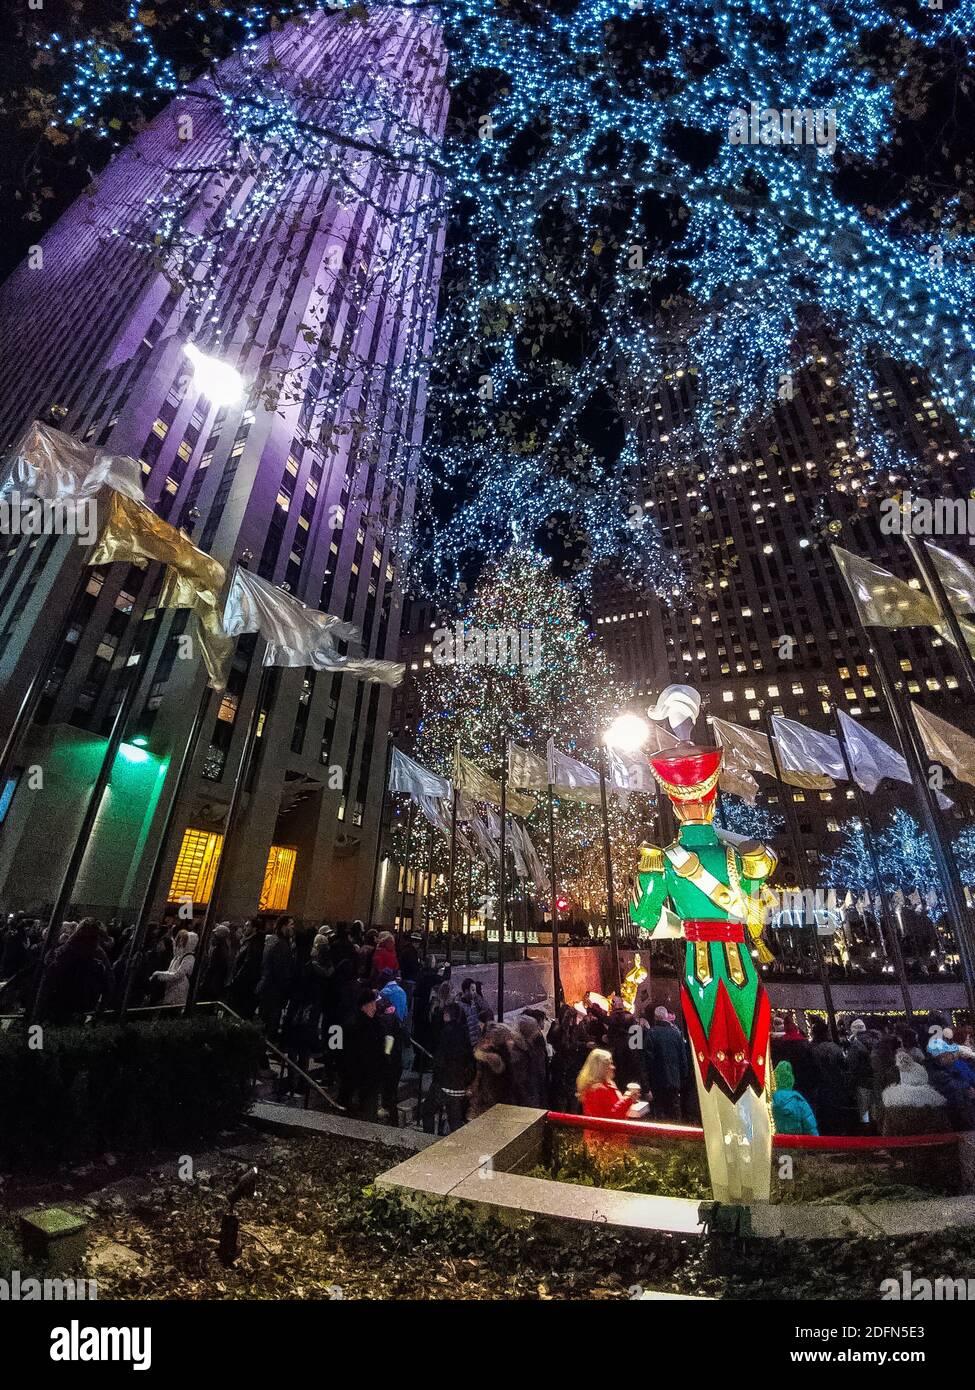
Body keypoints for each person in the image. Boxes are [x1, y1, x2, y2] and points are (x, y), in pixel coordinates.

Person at [36, 917, 114, 1022]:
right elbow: (109, 982)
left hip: (57, 1003)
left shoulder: (64, 950)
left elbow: (47, 976)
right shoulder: (98, 955)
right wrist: (99, 1010)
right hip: (78, 1006)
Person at [423, 1001, 475, 1133]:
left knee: (428, 1111)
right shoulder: (464, 1033)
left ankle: (427, 1140)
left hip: (445, 1083)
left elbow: (440, 1058)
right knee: (455, 1120)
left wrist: (437, 1076)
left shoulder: (446, 1032)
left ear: (447, 1015)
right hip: (460, 1084)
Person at [337, 986, 386, 1120]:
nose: (374, 1008)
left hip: (371, 1073)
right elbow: (344, 1050)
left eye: (374, 1004)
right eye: (371, 1004)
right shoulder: (353, 1024)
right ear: (363, 1006)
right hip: (357, 1072)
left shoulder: (375, 1023)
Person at [881, 1050, 948, 1136]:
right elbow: (944, 1131)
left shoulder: (890, 1102)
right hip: (930, 1147)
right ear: (924, 1077)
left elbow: (887, 1133)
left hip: (899, 1147)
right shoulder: (936, 1102)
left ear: (903, 1077)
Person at [809, 1019, 854, 1134]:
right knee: (835, 1113)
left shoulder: (811, 1049)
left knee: (822, 1114)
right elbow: (844, 1065)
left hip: (818, 1088)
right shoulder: (834, 1048)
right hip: (835, 1086)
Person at [645, 1003, 688, 1121]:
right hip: (674, 1078)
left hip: (657, 1080)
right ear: (665, 1016)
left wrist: (647, 1081)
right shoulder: (676, 1033)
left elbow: (648, 1059)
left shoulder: (651, 1034)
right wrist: (683, 1076)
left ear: (655, 1017)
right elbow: (682, 1057)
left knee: (660, 1111)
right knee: (674, 1108)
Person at [257, 915, 295, 1041]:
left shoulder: (273, 941)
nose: (293, 927)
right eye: (291, 924)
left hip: (269, 987)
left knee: (265, 1020)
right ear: (284, 926)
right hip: (274, 990)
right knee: (270, 1022)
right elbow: (280, 970)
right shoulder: (281, 945)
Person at [575, 1047, 641, 1119]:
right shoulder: (597, 1089)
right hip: (603, 1129)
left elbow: (615, 1106)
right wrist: (628, 1099)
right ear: (601, 1067)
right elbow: (611, 1117)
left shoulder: (607, 1083)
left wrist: (628, 1098)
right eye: (610, 1064)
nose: (613, 1067)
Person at [547, 1004, 591, 1112]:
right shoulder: (558, 1027)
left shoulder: (576, 1026)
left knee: (571, 1094)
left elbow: (583, 1038)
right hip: (564, 1064)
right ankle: (565, 1119)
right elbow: (564, 1045)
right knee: (564, 1094)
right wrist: (583, 1045)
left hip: (571, 1064)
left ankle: (570, 1119)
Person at [468, 1023, 514, 1118]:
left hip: (491, 1101)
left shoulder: (493, 1057)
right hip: (499, 1098)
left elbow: (477, 1054)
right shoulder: (505, 1053)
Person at [226, 919, 264, 1019]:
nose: (244, 928)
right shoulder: (247, 942)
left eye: (247, 926)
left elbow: (248, 964)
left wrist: (236, 980)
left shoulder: (254, 944)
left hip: (243, 986)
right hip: (240, 983)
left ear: (254, 929)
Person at [150, 929, 198, 1008]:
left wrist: (160, 974)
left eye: (183, 940)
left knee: (172, 1010)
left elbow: (178, 974)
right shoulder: (179, 955)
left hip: (179, 989)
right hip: (172, 987)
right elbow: (171, 971)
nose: (180, 942)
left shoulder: (189, 957)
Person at [771, 1060, 818, 1136]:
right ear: (791, 1079)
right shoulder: (799, 1101)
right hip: (796, 1145)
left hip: (775, 1145)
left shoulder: (769, 1101)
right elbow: (811, 1128)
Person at [510, 1015, 548, 1108]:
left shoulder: (529, 1046)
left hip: (533, 1092)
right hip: (527, 1097)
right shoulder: (519, 1053)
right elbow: (521, 1080)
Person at [845, 1018, 874, 1126]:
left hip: (862, 1082)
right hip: (876, 1080)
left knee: (864, 1112)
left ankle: (867, 1133)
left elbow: (852, 1065)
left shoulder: (855, 1045)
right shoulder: (874, 1040)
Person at [200, 923, 232, 1001]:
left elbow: (213, 965)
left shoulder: (219, 948)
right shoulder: (224, 946)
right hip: (216, 980)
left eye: (216, 933)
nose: (214, 934)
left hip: (213, 980)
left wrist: (205, 979)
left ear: (220, 935)